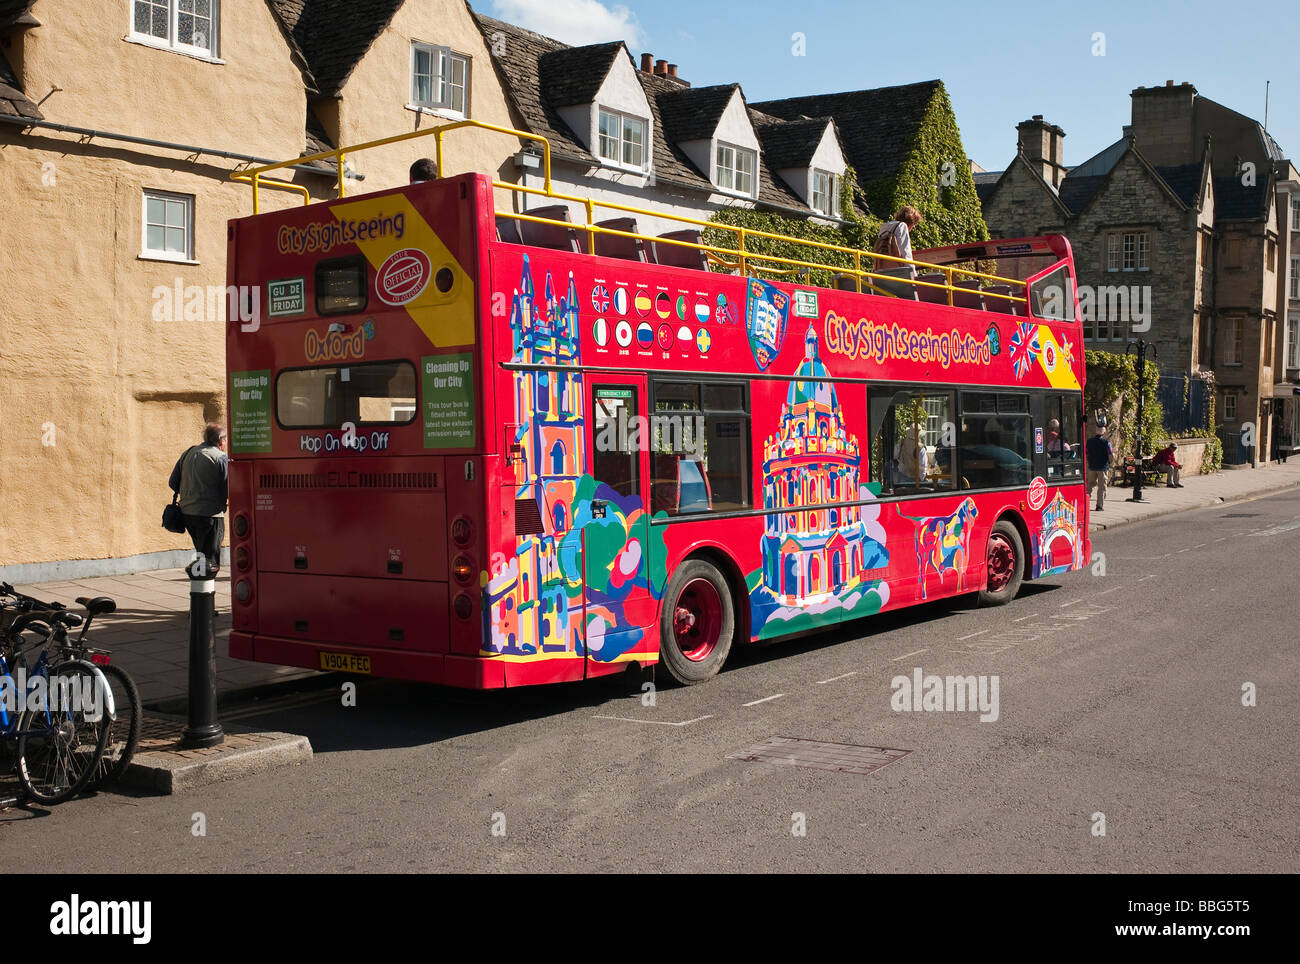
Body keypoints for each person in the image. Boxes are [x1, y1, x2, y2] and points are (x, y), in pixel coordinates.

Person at [169, 423, 229, 573]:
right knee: (210, 561)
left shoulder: (188, 452)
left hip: (187, 513)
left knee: (202, 554)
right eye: (226, 440)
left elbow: (172, 482)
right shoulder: (220, 458)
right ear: (221, 441)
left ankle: (200, 586)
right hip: (210, 514)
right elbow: (228, 487)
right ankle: (204, 592)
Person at [874, 205, 924, 275]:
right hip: (898, 271)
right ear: (911, 221)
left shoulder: (885, 227)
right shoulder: (902, 226)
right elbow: (905, 253)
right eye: (914, 225)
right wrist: (914, 274)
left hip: (881, 269)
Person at [1085, 420, 1114, 512]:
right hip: (1102, 467)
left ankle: (1085, 503)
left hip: (1092, 466)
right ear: (1104, 432)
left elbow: (1086, 453)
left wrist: (1088, 462)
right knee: (1101, 487)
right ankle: (1099, 506)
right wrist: (1110, 463)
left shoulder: (1089, 441)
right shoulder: (1106, 443)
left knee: (1089, 485)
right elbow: (1110, 454)